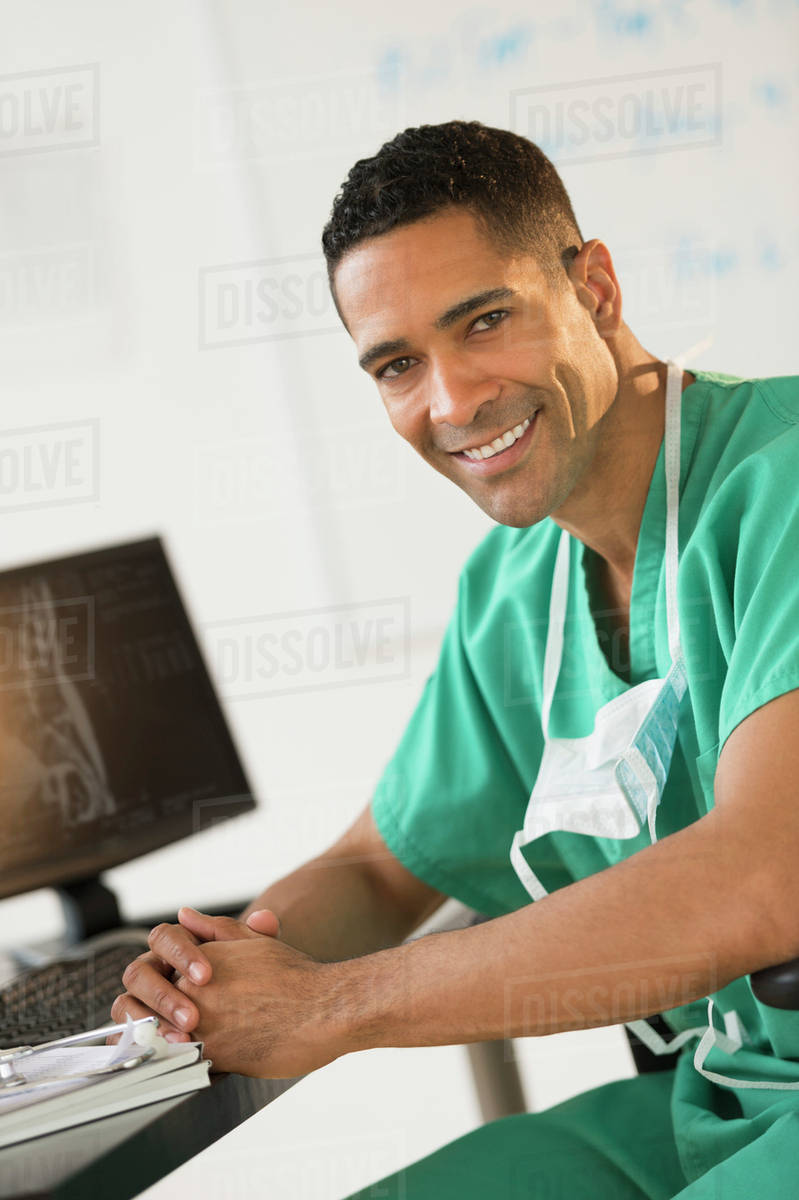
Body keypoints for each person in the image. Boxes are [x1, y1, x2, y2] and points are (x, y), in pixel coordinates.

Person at [113, 121, 799, 1198]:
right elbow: (381, 868)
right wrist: (201, 975)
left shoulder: (782, 484)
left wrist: (329, 1008)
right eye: (397, 364)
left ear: (597, 289)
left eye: (485, 321)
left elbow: (762, 879)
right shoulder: (513, 593)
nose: (451, 400)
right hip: (722, 1095)